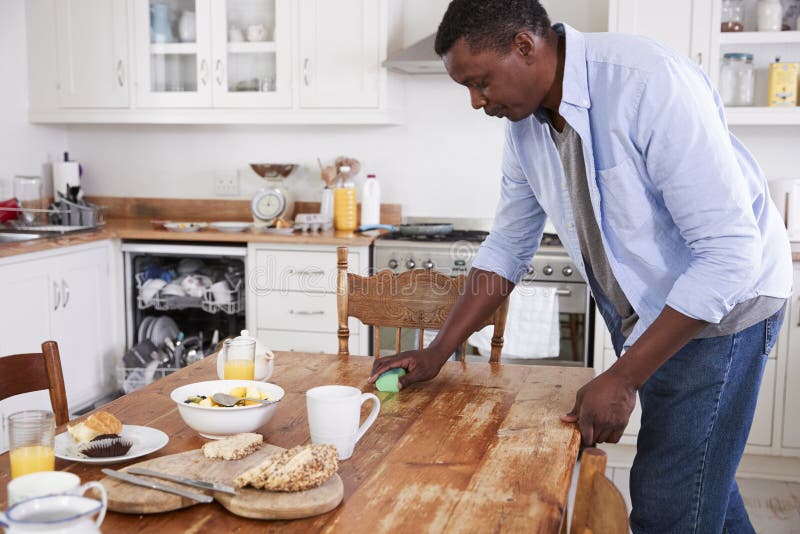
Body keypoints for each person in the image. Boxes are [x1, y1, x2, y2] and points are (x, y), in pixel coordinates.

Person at [368, 1, 793, 532]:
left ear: (524, 46)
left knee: (668, 504)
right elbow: (506, 247)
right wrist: (438, 350)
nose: (477, 102)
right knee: (702, 479)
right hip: (652, 309)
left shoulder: (646, 83)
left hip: (726, 308)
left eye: (480, 83)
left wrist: (624, 376)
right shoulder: (524, 127)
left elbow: (728, 253)